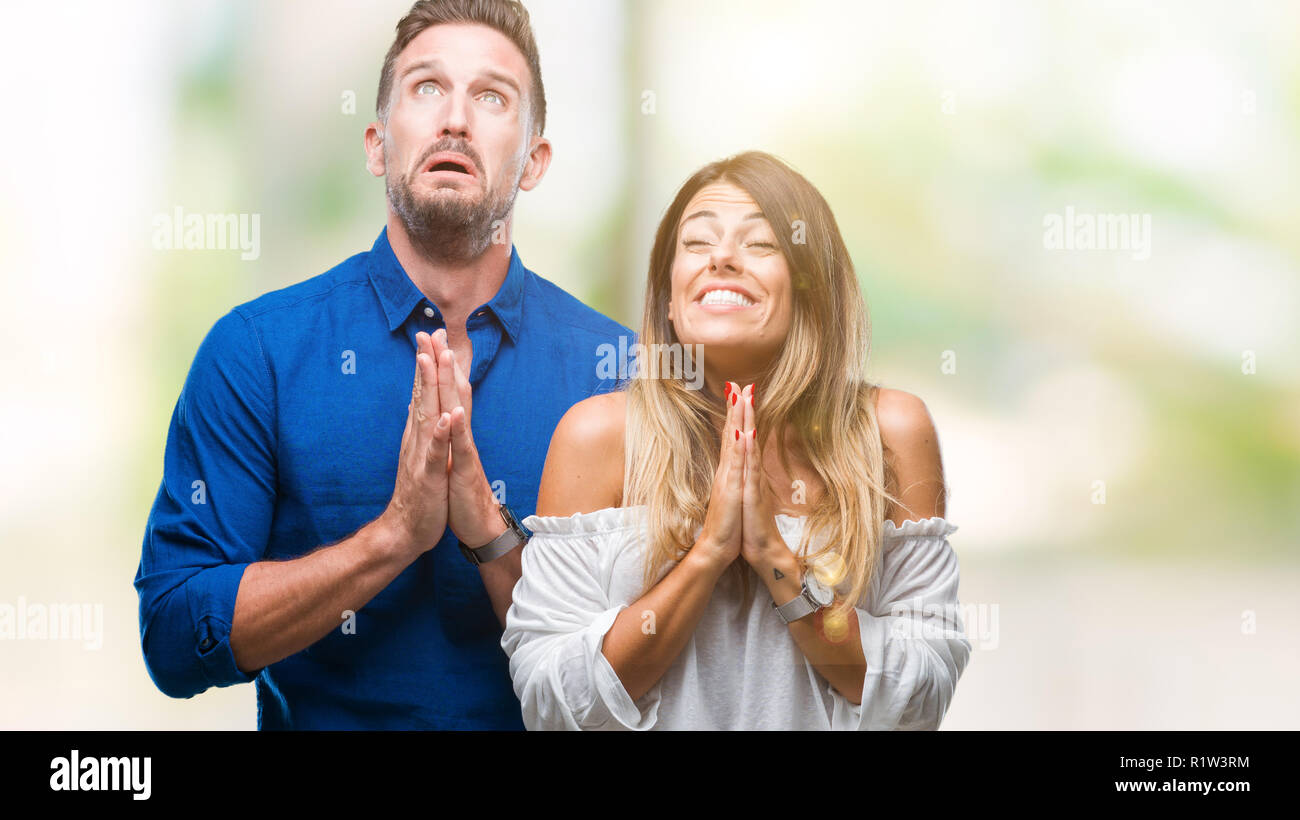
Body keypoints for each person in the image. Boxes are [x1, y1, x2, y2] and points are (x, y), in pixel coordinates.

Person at [134, 0, 632, 729]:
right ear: (376, 144)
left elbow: (648, 666)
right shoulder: (256, 352)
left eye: (492, 97)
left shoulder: (618, 374)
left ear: (534, 162)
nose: (455, 119)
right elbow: (174, 640)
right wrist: (392, 537)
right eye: (426, 88)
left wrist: (489, 534)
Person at [501, 151, 971, 730]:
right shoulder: (597, 434)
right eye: (696, 244)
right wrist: (707, 555)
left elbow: (920, 701)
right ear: (670, 299)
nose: (721, 257)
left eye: (760, 244)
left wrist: (775, 559)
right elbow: (549, 703)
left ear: (811, 287)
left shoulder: (890, 430)